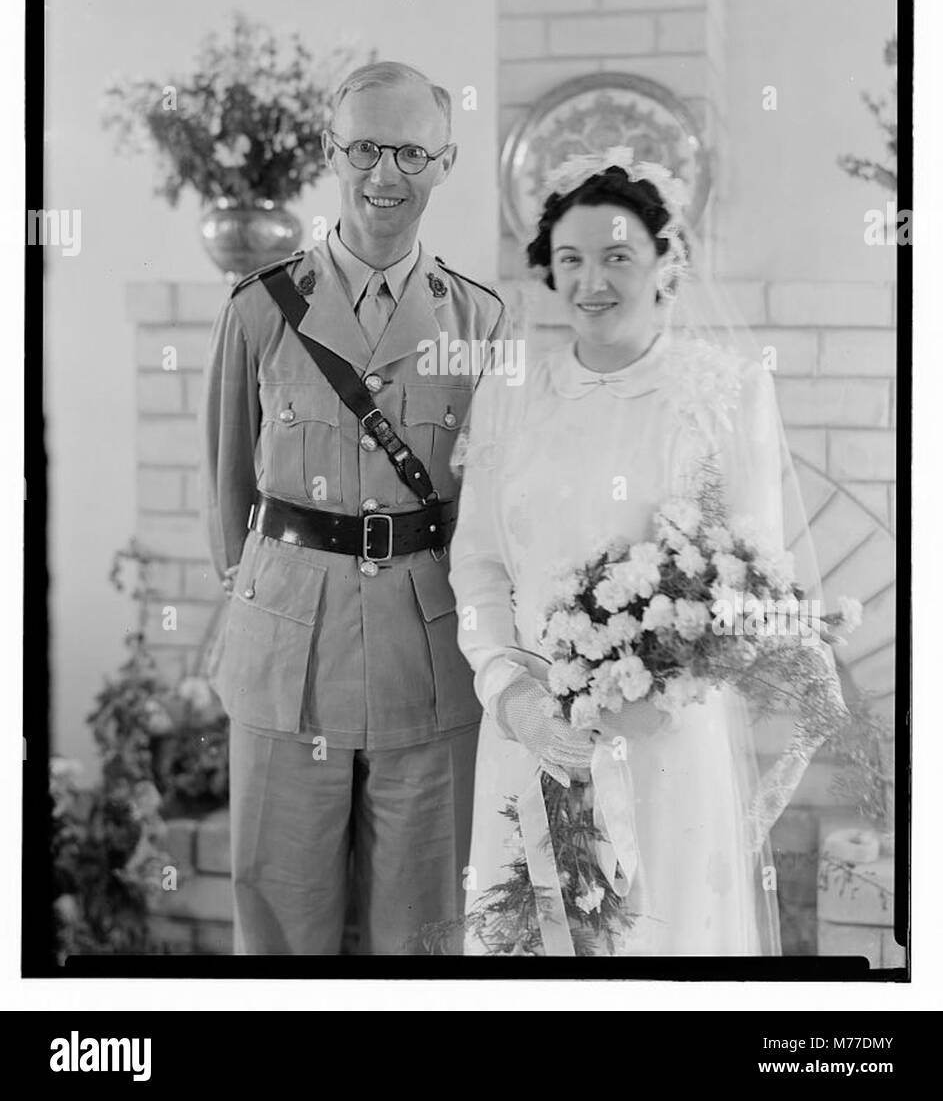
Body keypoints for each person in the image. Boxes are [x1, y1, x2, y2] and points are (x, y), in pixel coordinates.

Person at [447, 148, 844, 955]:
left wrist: (643, 686)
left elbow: (751, 582)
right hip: (528, 735)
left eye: (617, 256)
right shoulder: (508, 393)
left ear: (666, 263)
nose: (592, 281)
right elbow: (478, 567)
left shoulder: (725, 392)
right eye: (570, 260)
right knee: (532, 944)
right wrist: (510, 692)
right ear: (547, 274)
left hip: (662, 742)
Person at [201, 60, 508, 954]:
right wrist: (260, 600)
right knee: (282, 922)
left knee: (427, 929)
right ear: (332, 151)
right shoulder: (262, 308)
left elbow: (491, 501)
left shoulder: (479, 322)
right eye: (366, 148)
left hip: (428, 655)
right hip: (287, 654)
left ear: (445, 163)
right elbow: (229, 484)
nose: (386, 176)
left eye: (411, 152)